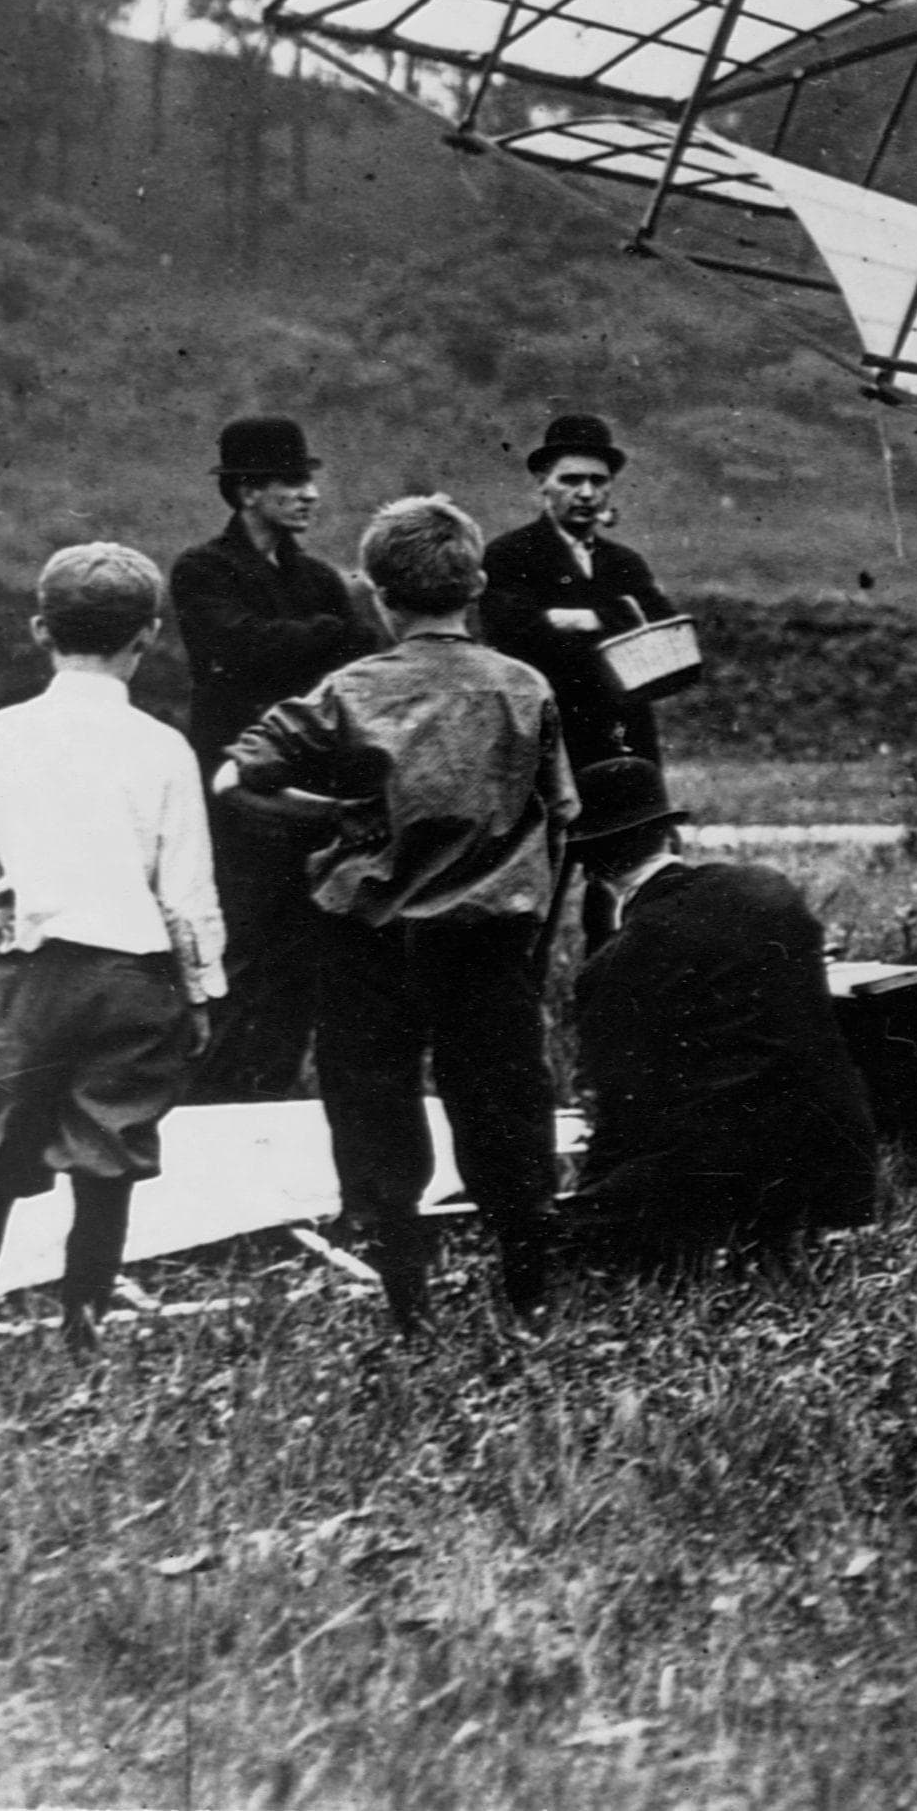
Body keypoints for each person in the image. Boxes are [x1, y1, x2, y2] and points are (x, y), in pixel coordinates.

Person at [223, 496, 577, 1333]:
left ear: (377, 594)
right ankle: (528, 1294)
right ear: (477, 584)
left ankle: (406, 1305)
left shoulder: (350, 689)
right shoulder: (524, 686)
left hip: (367, 939)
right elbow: (563, 813)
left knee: (372, 1108)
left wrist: (331, 816)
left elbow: (235, 780)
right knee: (505, 1106)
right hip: (490, 940)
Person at [0, 546, 223, 1352]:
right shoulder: (163, 748)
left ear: (41, 629)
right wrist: (201, 989)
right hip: (135, 979)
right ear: (147, 635)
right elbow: (187, 891)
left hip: (32, 974)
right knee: (109, 1152)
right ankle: (83, 1328)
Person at [554, 758, 880, 1274]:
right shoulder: (767, 890)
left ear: (588, 866)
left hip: (720, 1176)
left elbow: (624, 1116)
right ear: (668, 832)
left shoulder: (616, 965)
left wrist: (593, 1199)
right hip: (834, 1163)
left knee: (565, 1244)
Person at [164, 413, 381, 1099]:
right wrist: (325, 634)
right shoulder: (204, 568)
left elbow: (343, 657)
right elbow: (237, 646)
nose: (310, 494)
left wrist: (305, 638)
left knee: (299, 953)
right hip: (236, 791)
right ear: (247, 490)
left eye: (308, 480)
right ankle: (212, 1100)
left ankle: (270, 1094)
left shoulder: (316, 577)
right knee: (240, 942)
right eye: (290, 481)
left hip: (304, 790)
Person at [477, 412, 680, 809]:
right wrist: (620, 618)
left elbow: (667, 633)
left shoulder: (625, 563)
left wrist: (578, 620)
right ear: (543, 483)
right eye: (570, 480)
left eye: (598, 481)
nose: (586, 493)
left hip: (625, 736)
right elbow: (512, 632)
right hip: (544, 737)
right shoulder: (509, 555)